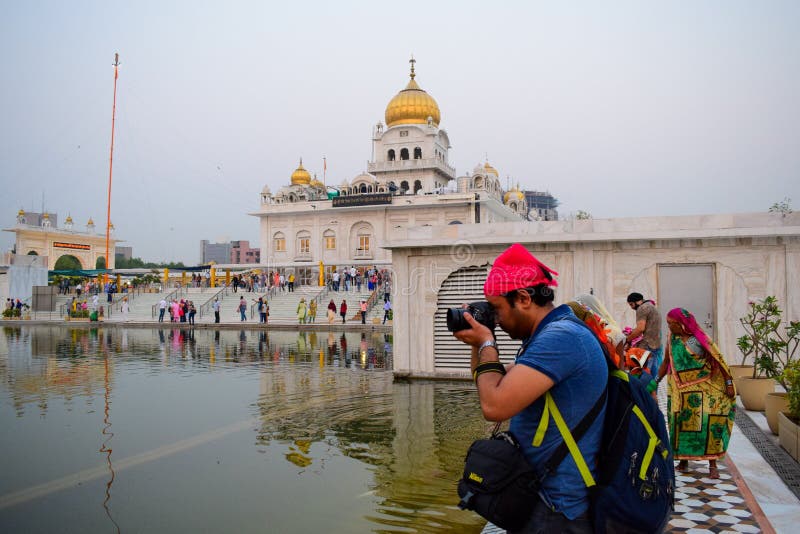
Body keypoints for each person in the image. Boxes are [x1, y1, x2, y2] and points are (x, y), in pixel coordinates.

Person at [453, 243, 607, 531]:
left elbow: (494, 406)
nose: (496, 320)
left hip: (559, 510)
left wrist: (487, 343)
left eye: (496, 309)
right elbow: (491, 378)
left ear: (523, 298)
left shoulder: (561, 338)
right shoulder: (549, 333)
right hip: (542, 498)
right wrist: (478, 341)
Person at [658, 307, 736, 479]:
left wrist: (729, 383)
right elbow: (665, 362)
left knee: (707, 423)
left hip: (704, 387)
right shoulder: (672, 339)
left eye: (672, 324)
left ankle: (712, 464)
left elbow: (719, 361)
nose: (669, 327)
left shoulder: (699, 339)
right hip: (680, 389)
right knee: (679, 424)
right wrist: (655, 382)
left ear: (682, 324)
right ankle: (683, 461)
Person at [625, 292, 662, 377]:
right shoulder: (651, 306)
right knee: (653, 371)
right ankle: (653, 390)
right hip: (656, 344)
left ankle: (646, 390)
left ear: (637, 302)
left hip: (648, 345)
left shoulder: (642, 309)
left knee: (645, 374)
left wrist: (628, 339)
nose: (631, 308)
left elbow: (640, 329)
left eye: (631, 304)